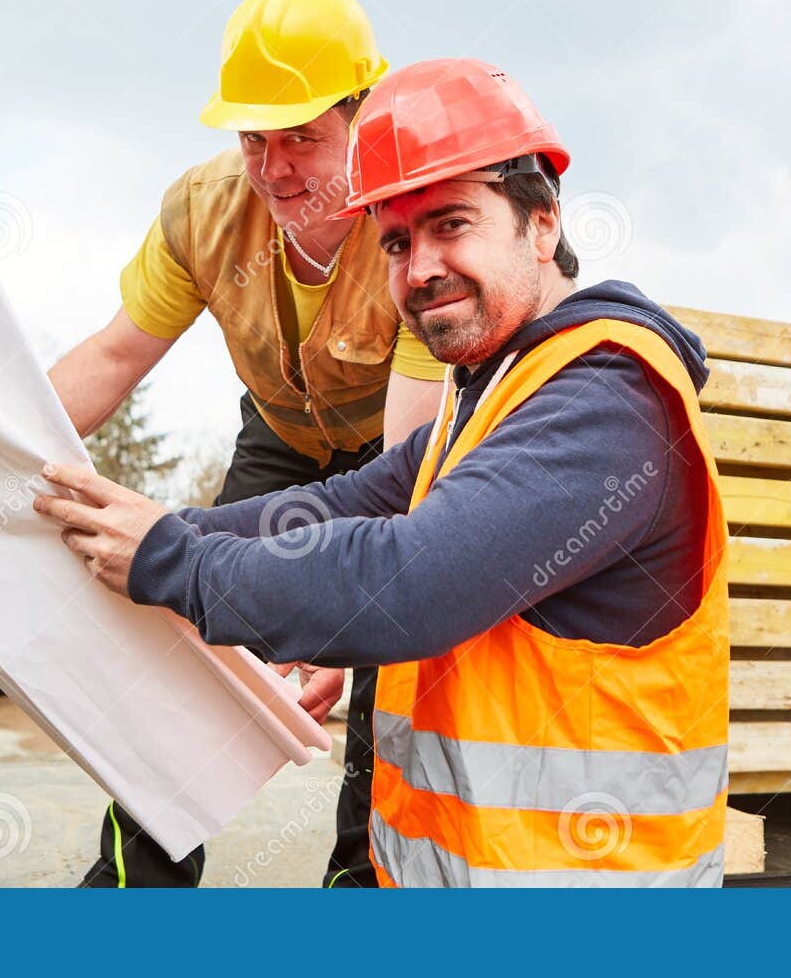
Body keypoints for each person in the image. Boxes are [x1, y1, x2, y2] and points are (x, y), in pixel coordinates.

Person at [37, 58, 730, 887]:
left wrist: (166, 561)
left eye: (451, 224)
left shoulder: (604, 402)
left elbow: (409, 580)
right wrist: (148, 527)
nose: (420, 267)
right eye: (397, 242)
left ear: (542, 224)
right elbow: (339, 503)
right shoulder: (493, 397)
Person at [47, 0, 445, 888]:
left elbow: (402, 471)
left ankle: (363, 882)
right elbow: (111, 359)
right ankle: (136, 888)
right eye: (255, 138)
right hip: (279, 438)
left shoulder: (412, 225)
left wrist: (328, 615)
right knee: (192, 623)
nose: (275, 168)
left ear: (364, 113)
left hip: (394, 446)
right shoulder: (202, 209)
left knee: (395, 645)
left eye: (304, 137)